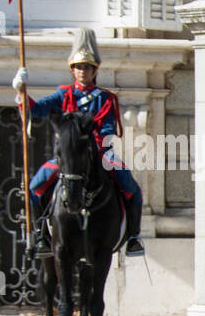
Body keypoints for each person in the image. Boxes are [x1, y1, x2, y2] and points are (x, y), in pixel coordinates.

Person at [14, 28, 145, 256]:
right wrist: (20, 93)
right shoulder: (62, 95)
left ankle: (133, 236)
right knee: (35, 186)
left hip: (100, 153)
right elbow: (36, 111)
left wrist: (93, 146)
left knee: (131, 185)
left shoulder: (105, 98)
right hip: (68, 156)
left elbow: (107, 129)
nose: (82, 71)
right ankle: (41, 235)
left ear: (94, 70)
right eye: (77, 67)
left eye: (86, 67)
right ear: (72, 70)